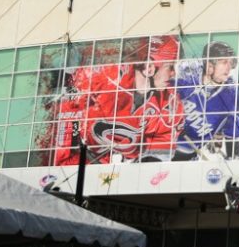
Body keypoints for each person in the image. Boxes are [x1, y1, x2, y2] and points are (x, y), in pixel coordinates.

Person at [52, 36, 182, 164]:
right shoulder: (108, 76)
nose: (173, 74)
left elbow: (161, 149)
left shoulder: (170, 104)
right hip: (84, 159)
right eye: (170, 67)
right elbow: (67, 105)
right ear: (149, 67)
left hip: (121, 169)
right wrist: (63, 159)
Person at [175, 41, 239, 160]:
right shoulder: (187, 73)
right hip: (159, 144)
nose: (229, 67)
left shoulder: (231, 96)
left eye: (230, 63)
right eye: (224, 62)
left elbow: (234, 138)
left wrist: (235, 161)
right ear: (209, 64)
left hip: (185, 155)